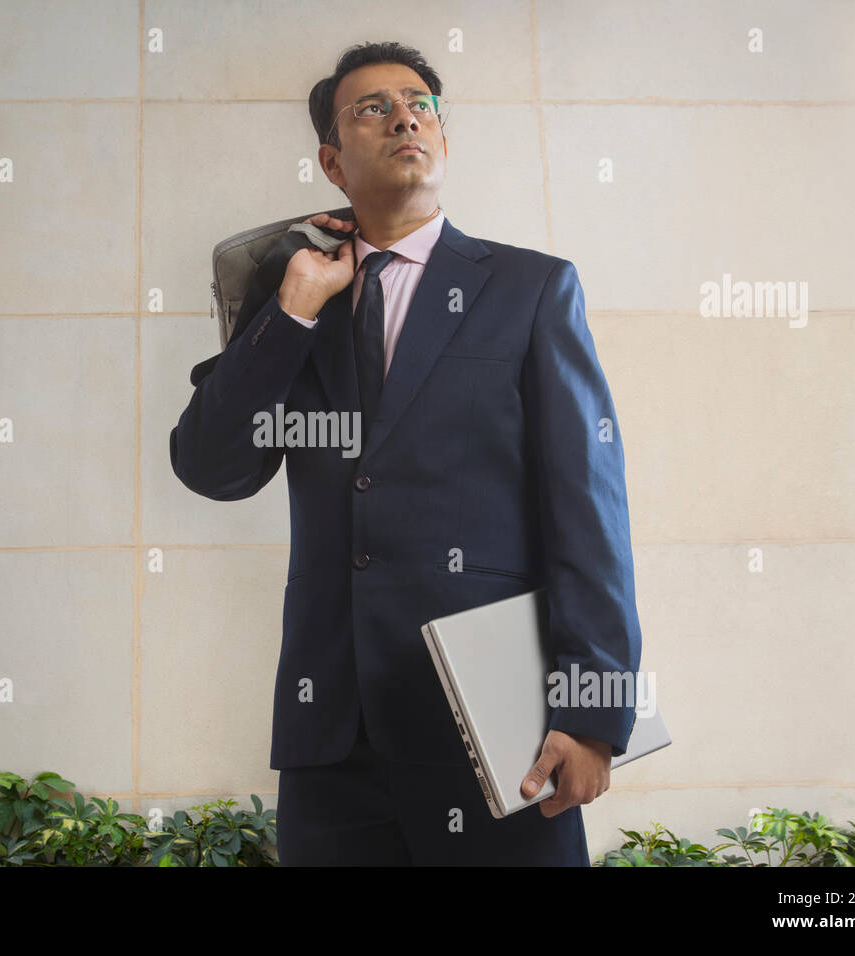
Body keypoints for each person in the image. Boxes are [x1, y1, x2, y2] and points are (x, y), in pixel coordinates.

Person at [170, 41, 643, 865]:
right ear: (331, 159)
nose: (404, 117)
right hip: (332, 736)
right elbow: (213, 467)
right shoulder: (295, 301)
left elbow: (588, 511)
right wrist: (288, 314)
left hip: (499, 725)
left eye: (420, 103)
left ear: (444, 142)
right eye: (372, 108)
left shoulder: (531, 289)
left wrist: (592, 712)